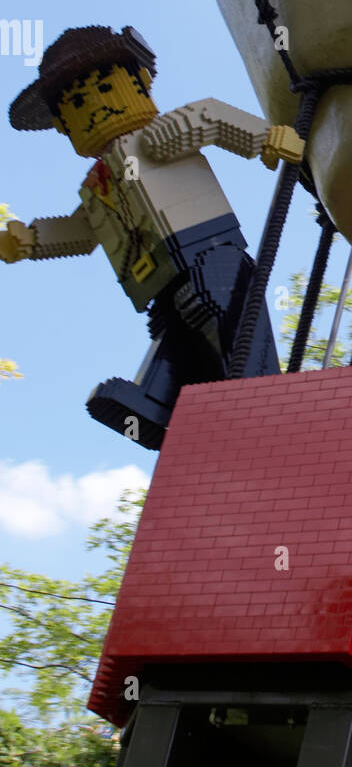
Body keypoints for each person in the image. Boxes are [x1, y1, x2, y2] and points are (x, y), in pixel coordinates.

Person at [1, 25, 303, 450]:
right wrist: (28, 240)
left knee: (226, 316)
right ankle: (158, 404)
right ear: (63, 125)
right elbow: (82, 231)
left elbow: (210, 118)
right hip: (159, 282)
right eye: (76, 104)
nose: (94, 108)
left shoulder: (157, 137)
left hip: (207, 253)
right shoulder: (99, 186)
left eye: (105, 87)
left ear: (139, 84)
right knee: (177, 339)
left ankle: (261, 390)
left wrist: (265, 139)